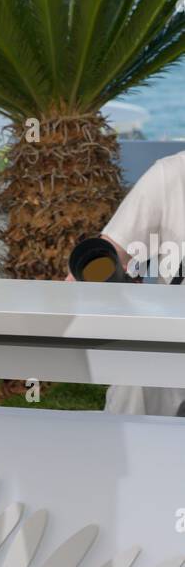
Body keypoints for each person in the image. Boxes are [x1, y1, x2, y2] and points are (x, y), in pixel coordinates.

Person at [91, 151, 185, 417]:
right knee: (134, 380)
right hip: (177, 337)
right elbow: (111, 251)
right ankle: (129, 453)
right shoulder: (171, 174)